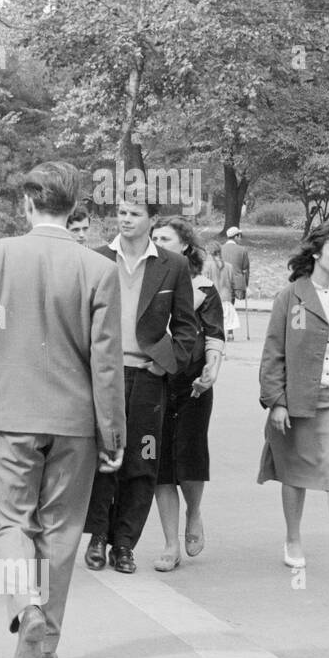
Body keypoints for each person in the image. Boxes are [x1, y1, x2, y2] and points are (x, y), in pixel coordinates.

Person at [0, 161, 125, 658]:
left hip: (12, 414)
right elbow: (106, 360)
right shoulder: (99, 269)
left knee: (10, 523)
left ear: (27, 204)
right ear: (75, 208)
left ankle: (25, 604)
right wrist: (112, 432)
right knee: (60, 531)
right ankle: (46, 640)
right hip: (75, 423)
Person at [83, 193, 196, 574]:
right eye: (121, 213)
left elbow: (186, 328)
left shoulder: (173, 265)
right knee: (104, 457)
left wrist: (165, 366)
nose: (125, 220)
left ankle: (125, 544)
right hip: (105, 375)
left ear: (152, 219)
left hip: (148, 378)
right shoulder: (97, 258)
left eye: (134, 214)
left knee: (142, 461)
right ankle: (97, 536)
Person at [258, 221, 329, 580]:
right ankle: (292, 538)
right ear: (316, 254)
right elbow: (273, 353)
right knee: (294, 472)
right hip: (297, 396)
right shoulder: (290, 296)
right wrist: (277, 401)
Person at [149, 217, 225, 571]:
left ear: (184, 247)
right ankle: (169, 543)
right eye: (155, 238)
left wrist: (212, 371)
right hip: (154, 382)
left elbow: (214, 335)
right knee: (160, 463)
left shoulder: (205, 289)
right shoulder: (142, 283)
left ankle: (194, 513)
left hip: (193, 384)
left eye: (165, 238)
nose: (157, 242)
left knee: (191, 457)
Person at [205, 240, 241, 338]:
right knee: (228, 317)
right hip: (226, 297)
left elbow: (205, 283)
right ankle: (230, 333)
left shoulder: (207, 266)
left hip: (213, 298)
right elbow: (233, 283)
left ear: (209, 252)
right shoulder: (229, 266)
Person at [221, 226, 250, 303]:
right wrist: (245, 285)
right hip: (236, 284)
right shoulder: (242, 250)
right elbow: (245, 270)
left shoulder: (220, 249)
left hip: (222, 282)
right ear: (236, 237)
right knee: (230, 305)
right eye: (239, 236)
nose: (240, 238)